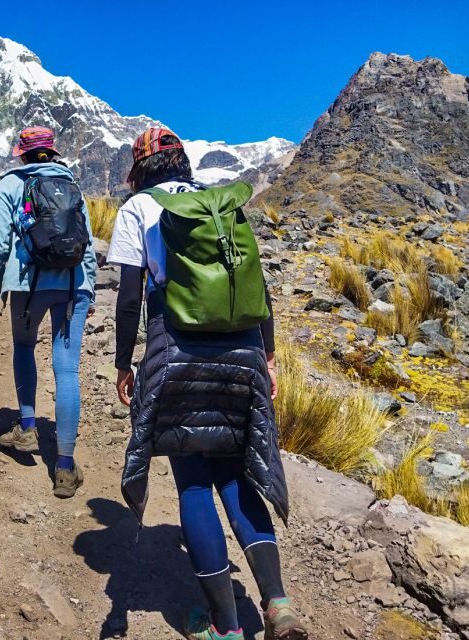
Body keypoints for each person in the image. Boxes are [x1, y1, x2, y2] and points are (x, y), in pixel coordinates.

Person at [107, 127, 308, 640]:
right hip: (241, 351)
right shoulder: (220, 204)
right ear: (181, 163)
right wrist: (266, 356)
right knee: (238, 476)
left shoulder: (137, 209)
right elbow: (255, 284)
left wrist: (124, 363)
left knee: (194, 482)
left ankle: (225, 626)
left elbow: (129, 297)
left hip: (177, 354)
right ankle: (279, 605)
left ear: (140, 168)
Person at [0, 126, 97, 498]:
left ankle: (27, 427)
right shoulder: (72, 184)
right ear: (51, 152)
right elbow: (89, 243)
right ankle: (64, 467)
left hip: (28, 284)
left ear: (22, 153)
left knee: (23, 347)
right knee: (67, 369)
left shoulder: (10, 184)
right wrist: (90, 288)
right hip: (72, 284)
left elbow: (0, 242)